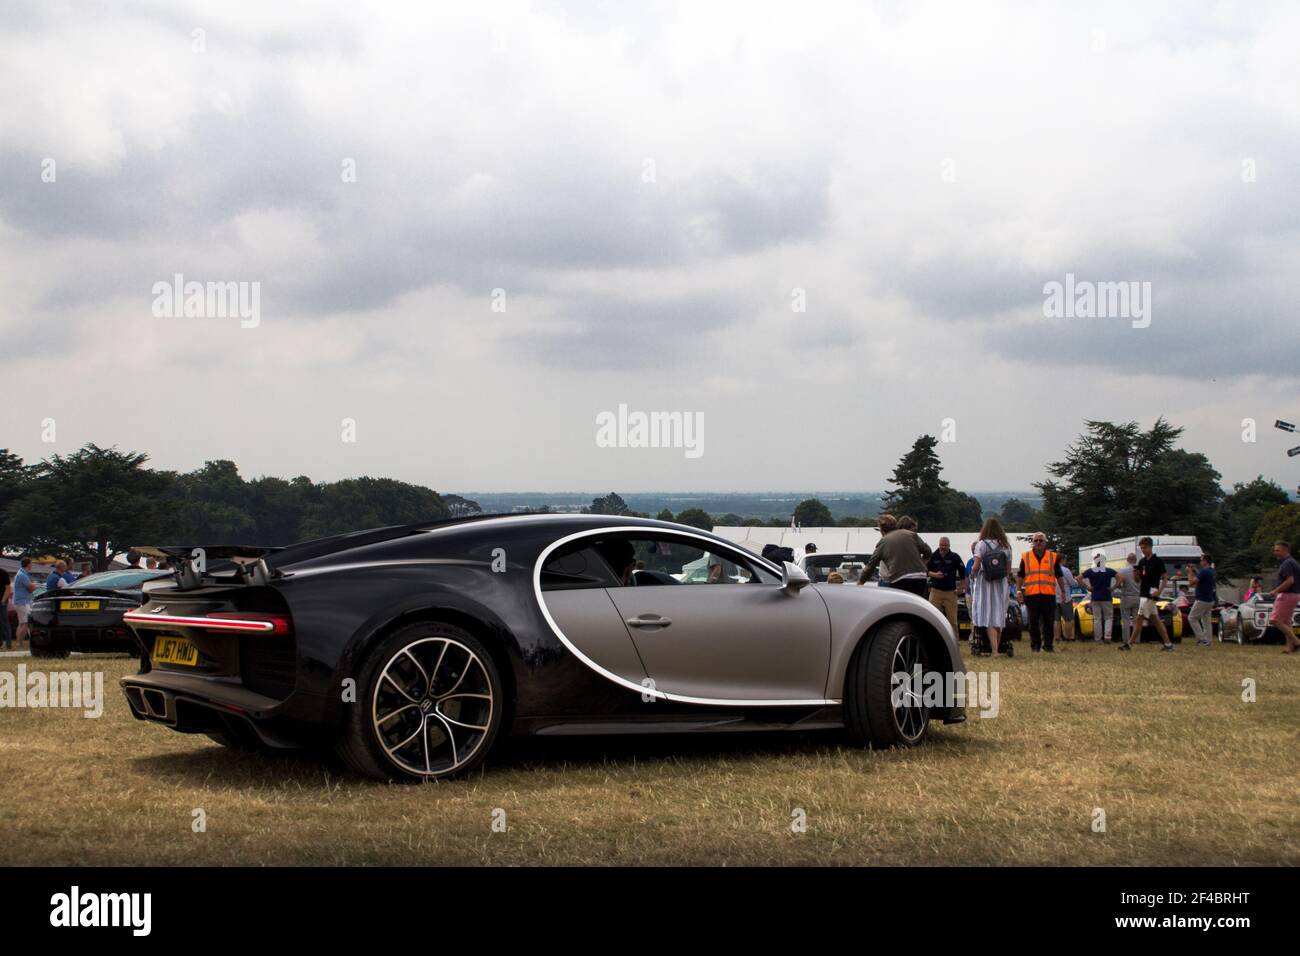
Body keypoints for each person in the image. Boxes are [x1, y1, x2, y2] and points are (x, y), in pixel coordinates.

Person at [969, 518, 1012, 655]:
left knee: (988, 616)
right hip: (1000, 583)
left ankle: (994, 651)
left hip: (986, 583)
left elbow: (976, 565)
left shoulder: (981, 545)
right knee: (999, 615)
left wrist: (972, 574)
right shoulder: (1006, 546)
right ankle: (997, 647)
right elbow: (1008, 570)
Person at [860, 514, 931, 595]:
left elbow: (871, 565)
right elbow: (928, 551)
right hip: (920, 577)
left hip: (899, 578)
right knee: (915, 604)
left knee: (899, 606)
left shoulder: (883, 541)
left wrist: (860, 582)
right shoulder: (911, 534)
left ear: (881, 530)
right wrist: (922, 564)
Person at [1017, 531, 1064, 652]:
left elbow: (1059, 576)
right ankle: (1035, 646)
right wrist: (1018, 590)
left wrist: (1063, 591)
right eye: (1036, 540)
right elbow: (1020, 575)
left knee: (1049, 621)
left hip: (1048, 594)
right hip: (1032, 594)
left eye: (1040, 540)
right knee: (1033, 622)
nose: (1038, 542)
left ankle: (1048, 646)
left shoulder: (1052, 557)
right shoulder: (1026, 557)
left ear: (1045, 543)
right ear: (1033, 543)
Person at [1130, 537, 1174, 651]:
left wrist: (1160, 590)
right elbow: (1138, 580)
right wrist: (1136, 574)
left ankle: (1129, 644)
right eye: (1141, 548)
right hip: (1143, 593)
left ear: (1150, 547)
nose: (1143, 550)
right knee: (1156, 621)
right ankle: (1168, 644)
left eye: (1144, 548)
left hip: (1151, 594)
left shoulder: (1158, 561)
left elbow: (1165, 577)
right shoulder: (1142, 562)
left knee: (1139, 619)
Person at [926, 536, 965, 639]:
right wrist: (934, 575)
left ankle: (955, 642)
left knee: (952, 620)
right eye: (941, 545)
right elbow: (925, 571)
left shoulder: (955, 557)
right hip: (936, 592)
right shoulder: (933, 556)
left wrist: (962, 587)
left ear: (949, 545)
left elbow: (963, 572)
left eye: (945, 545)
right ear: (938, 545)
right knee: (932, 618)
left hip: (950, 592)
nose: (943, 547)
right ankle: (932, 640)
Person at [1269, 541, 1300, 654]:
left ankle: (1297, 642)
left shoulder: (1287, 563)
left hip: (1288, 595)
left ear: (1285, 550)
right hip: (1294, 595)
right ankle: (1290, 649)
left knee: (1275, 620)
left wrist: (1276, 590)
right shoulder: (1292, 562)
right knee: (1286, 623)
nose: (1275, 552)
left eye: (1277, 550)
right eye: (1275, 550)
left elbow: (1290, 581)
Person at [1080, 551, 1118, 642]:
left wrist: (1087, 587)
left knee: (1097, 618)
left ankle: (1098, 638)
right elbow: (1120, 577)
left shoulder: (1091, 571)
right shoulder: (1109, 571)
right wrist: (1113, 587)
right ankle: (1107, 637)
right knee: (1108, 617)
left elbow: (1078, 578)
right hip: (1106, 597)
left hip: (1095, 598)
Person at [1187, 553, 1216, 646]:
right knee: (1206, 621)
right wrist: (1195, 571)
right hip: (1210, 599)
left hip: (1202, 599)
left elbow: (1191, 582)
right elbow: (1201, 577)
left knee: (1191, 618)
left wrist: (1190, 572)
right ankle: (1208, 640)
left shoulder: (1204, 572)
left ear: (1205, 561)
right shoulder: (1211, 571)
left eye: (1201, 560)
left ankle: (1202, 639)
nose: (1200, 561)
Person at [1114, 553, 1141, 650]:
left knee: (1125, 619)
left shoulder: (1123, 570)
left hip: (1126, 596)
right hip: (1138, 596)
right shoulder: (1140, 569)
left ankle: (1126, 640)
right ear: (1135, 559)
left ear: (1127, 560)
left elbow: (1119, 582)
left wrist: (1118, 587)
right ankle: (1136, 639)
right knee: (1136, 620)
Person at [13, 557, 37, 647]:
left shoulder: (22, 573)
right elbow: (31, 588)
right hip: (22, 602)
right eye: (31, 563)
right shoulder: (22, 575)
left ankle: (18, 642)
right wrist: (34, 585)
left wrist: (32, 585)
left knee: (21, 623)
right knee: (26, 622)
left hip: (21, 601)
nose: (32, 565)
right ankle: (19, 643)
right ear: (28, 564)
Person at [1055, 558, 1079, 642]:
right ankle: (1069, 637)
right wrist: (1077, 580)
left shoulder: (1050, 570)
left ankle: (1057, 637)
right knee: (1068, 619)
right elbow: (1073, 583)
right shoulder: (1065, 570)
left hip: (1054, 598)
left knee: (1056, 620)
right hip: (1065, 598)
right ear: (1062, 560)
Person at [0, 565, 11, 649]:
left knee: (4, 623)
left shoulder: (3, 573)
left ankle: (8, 644)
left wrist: (3, 600)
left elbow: (8, 588)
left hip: (2, 602)